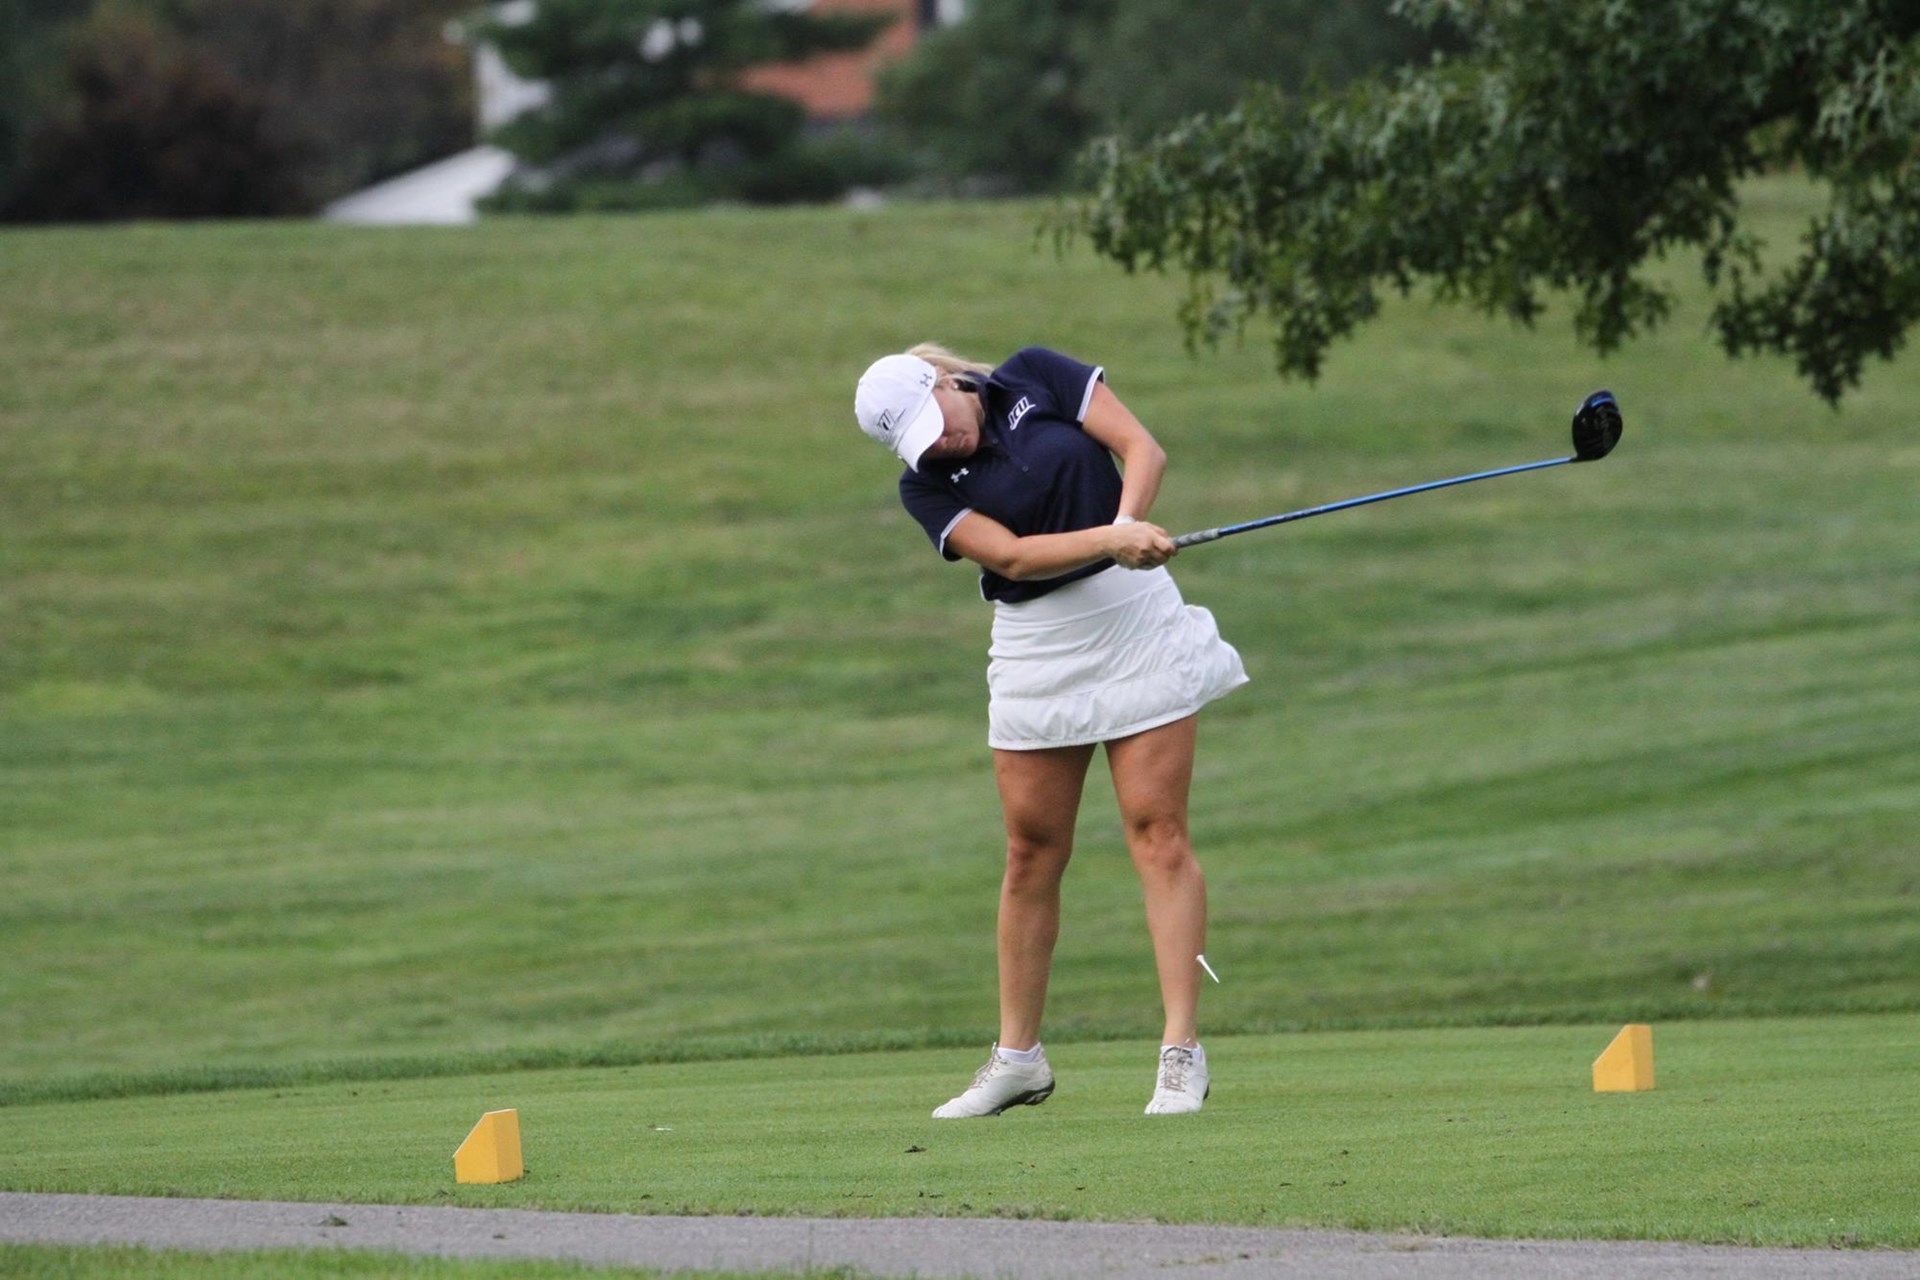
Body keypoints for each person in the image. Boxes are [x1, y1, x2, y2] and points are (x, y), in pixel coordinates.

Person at [854, 342, 1248, 1117]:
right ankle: (1018, 1059)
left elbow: (1141, 446)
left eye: (937, 422)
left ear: (946, 383)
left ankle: (1180, 1051)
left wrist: (1128, 526)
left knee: (1156, 830)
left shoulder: (1034, 375)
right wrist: (1111, 538)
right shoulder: (924, 485)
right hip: (1038, 646)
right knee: (1030, 852)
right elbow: (1011, 555)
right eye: (919, 442)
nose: (940, 444)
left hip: (1134, 622)